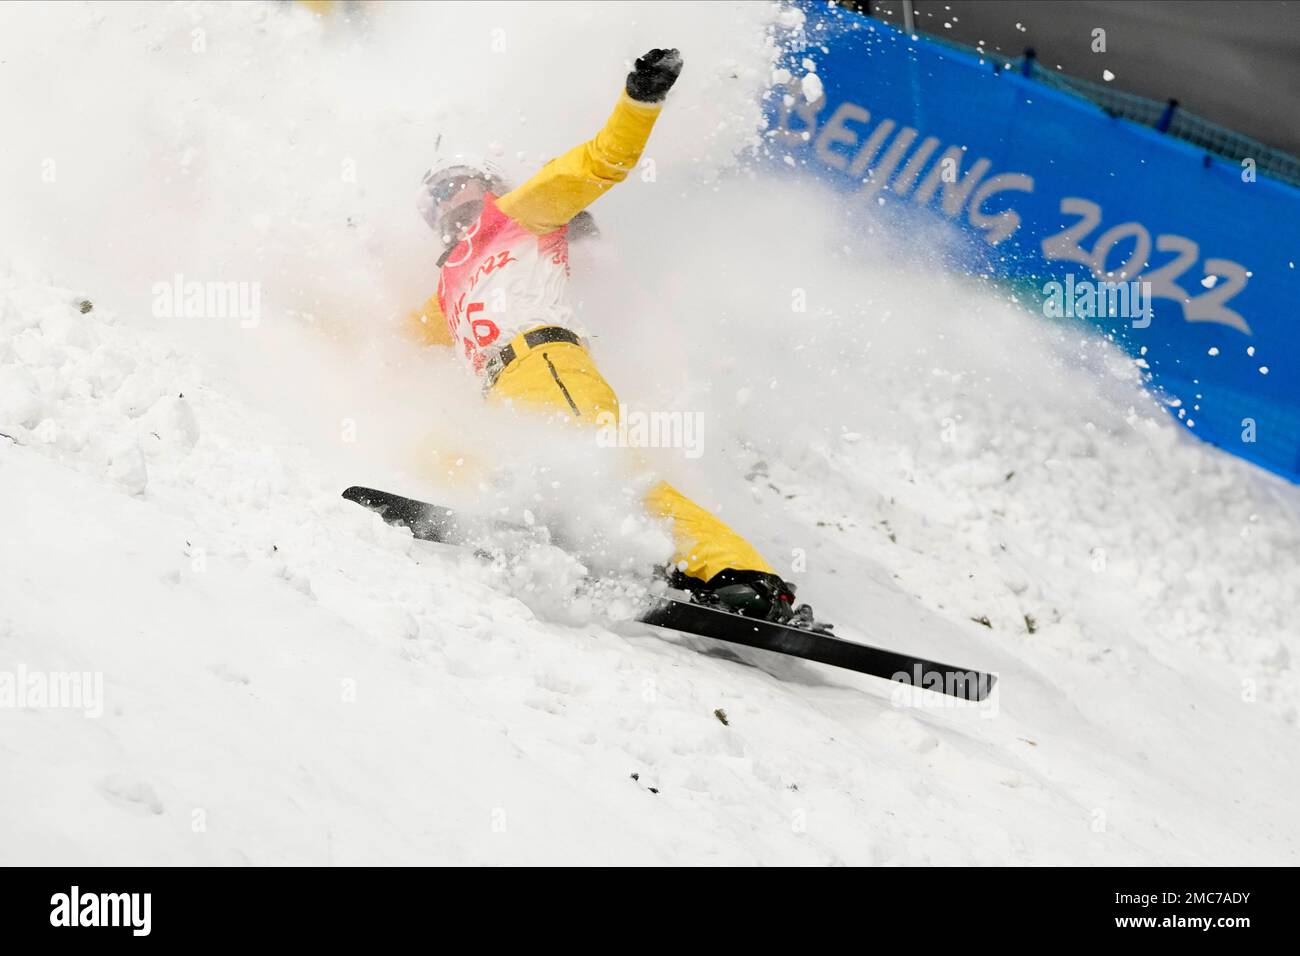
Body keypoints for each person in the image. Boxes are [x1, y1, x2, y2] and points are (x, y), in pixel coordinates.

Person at [407, 49, 812, 625]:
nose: (448, 201)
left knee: (611, 473)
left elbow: (602, 161)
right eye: (436, 198)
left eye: (457, 185)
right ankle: (622, 549)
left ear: (488, 184)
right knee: (486, 459)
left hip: (548, 361)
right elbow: (395, 342)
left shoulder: (520, 214)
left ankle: (741, 574)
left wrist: (639, 100)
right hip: (501, 391)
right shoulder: (446, 283)